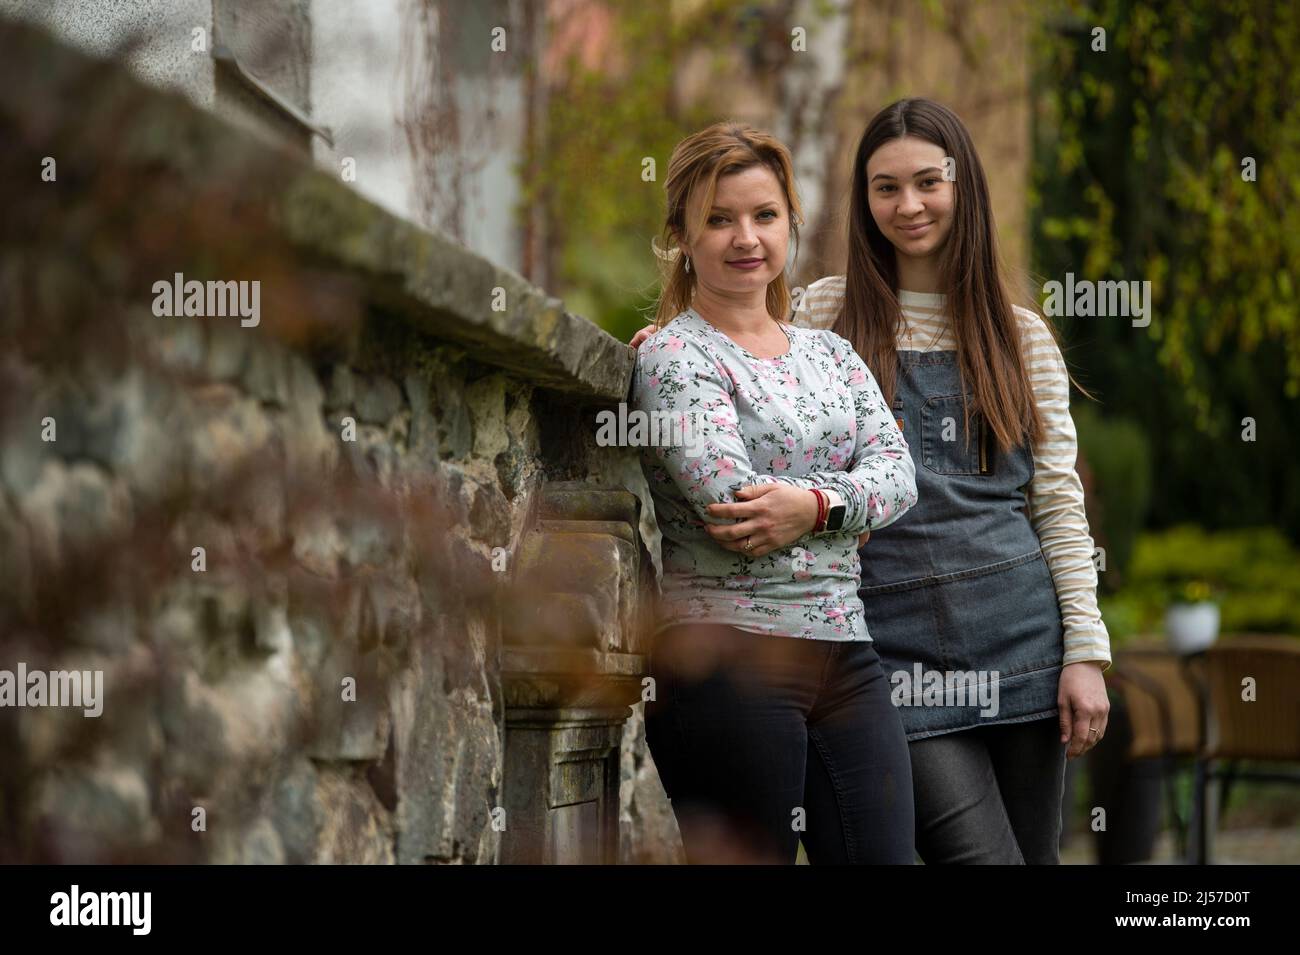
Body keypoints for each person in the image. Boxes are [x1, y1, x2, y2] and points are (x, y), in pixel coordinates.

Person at [632, 99, 1112, 864]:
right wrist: (669, 344)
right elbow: (744, 352)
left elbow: (1052, 502)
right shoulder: (831, 311)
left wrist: (1085, 650)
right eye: (886, 187)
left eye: (928, 182)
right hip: (894, 649)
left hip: (1020, 643)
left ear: (966, 190)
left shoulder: (1021, 337)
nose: (909, 204)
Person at [631, 121, 919, 864]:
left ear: (791, 221)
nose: (744, 237)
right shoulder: (673, 356)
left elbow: (900, 474)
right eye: (717, 220)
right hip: (729, 657)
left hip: (846, 652)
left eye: (763, 215)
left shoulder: (832, 353)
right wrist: (845, 503)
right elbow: (731, 502)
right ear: (682, 237)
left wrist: (814, 508)